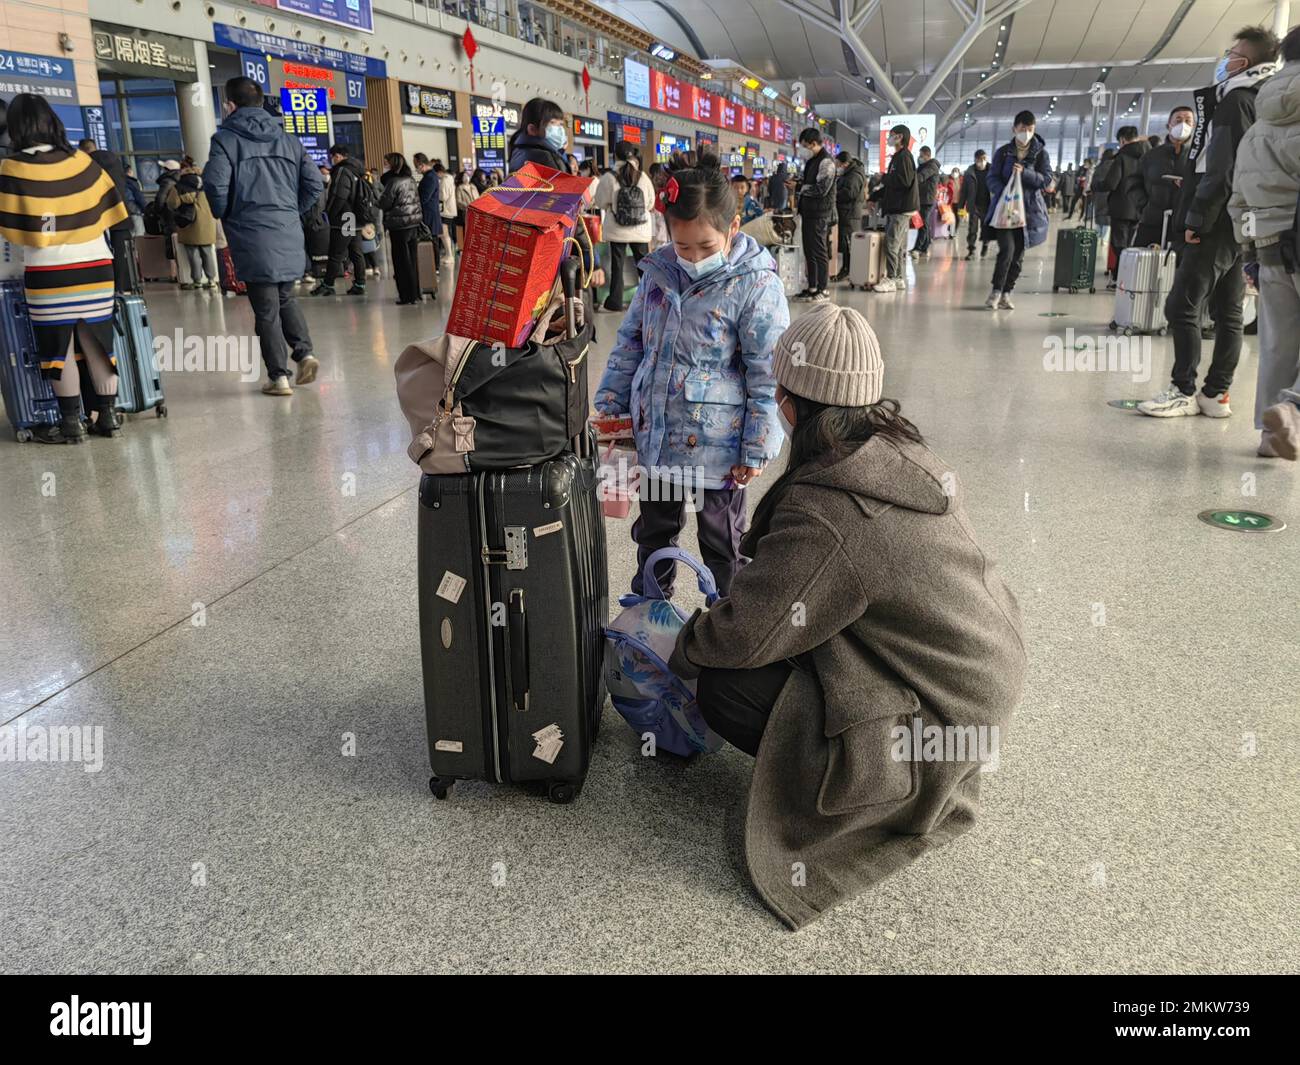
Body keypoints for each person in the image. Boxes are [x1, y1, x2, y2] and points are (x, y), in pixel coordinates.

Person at [666, 302, 1025, 931]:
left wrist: (682, 650)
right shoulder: (897, 455)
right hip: (975, 689)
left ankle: (856, 784)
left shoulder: (832, 511)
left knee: (726, 685)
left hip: (930, 722)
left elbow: (747, 631)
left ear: (790, 403)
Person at [594, 153, 787, 599]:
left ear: (733, 228)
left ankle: (731, 629)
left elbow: (767, 373)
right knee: (653, 535)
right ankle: (649, 617)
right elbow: (630, 343)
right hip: (657, 438)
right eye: (683, 247)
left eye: (706, 247)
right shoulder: (658, 272)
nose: (693, 258)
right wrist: (611, 405)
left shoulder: (755, 284)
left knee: (722, 543)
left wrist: (756, 448)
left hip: (719, 452)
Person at [1140, 25, 1279, 419]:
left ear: (1246, 60)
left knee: (1182, 307)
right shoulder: (1260, 97)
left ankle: (1182, 389)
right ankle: (1216, 395)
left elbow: (1222, 168)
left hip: (1216, 218)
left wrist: (1197, 217)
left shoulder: (1235, 101)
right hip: (1240, 217)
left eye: (1232, 52)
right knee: (1228, 311)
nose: (1226, 58)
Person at [0, 94, 127, 443]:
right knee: (98, 344)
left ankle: (72, 423)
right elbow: (113, 210)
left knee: (60, 348)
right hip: (97, 266)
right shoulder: (84, 163)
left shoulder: (11, 169)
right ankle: (109, 416)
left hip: (48, 270)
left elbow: (11, 227)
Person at [203, 76, 323, 396]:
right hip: (286, 230)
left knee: (266, 308)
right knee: (286, 297)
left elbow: (215, 186)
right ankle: (305, 352)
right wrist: (288, 210)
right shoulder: (288, 140)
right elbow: (315, 185)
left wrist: (227, 214)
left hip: (251, 232)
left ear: (229, 105)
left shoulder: (225, 140)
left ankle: (279, 376)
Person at [1229, 24, 1300, 457]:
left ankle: (1269, 435)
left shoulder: (1259, 121)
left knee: (1277, 342)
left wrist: (1249, 250)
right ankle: (1293, 411)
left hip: (1270, 246)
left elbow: (1239, 196)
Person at [984, 110, 1053, 310]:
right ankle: (996, 291)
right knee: (1006, 250)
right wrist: (1003, 191)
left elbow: (1046, 179)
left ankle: (1007, 293)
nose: (1026, 133)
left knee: (1017, 256)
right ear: (1014, 129)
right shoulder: (1003, 152)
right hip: (1006, 210)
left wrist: (1026, 174)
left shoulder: (1041, 153)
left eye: (1030, 129)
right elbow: (992, 177)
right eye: (1022, 129)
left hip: (1028, 213)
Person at [594, 139, 654, 313]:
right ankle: (652, 298)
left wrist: (612, 208)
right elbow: (650, 203)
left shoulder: (609, 177)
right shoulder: (642, 176)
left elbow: (600, 202)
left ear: (615, 156)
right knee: (643, 266)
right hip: (641, 230)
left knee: (617, 266)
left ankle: (615, 301)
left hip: (617, 229)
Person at [77, 138, 135, 293]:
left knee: (102, 254)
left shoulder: (89, 164)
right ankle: (124, 287)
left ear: (84, 151)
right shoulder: (115, 161)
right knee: (122, 254)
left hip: (100, 217)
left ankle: (107, 287)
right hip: (121, 214)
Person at [311, 145, 368, 297]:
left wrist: (329, 213)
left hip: (345, 217)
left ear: (339, 156)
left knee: (336, 252)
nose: (331, 160)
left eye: (332, 157)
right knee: (356, 252)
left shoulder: (343, 170)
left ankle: (328, 285)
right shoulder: (357, 169)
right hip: (355, 216)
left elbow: (339, 195)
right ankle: (360, 283)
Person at [1134, 107, 1195, 248]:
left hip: (1185, 225)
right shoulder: (1152, 156)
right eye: (1178, 120)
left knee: (1179, 267)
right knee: (1145, 265)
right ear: (1169, 125)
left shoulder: (1199, 157)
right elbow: (1134, 181)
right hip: (1152, 222)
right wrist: (1143, 205)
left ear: (1193, 126)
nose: (1183, 124)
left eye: (1188, 121)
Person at [868, 123, 918, 292]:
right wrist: (875, 195)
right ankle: (897, 278)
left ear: (900, 137)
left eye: (892, 134)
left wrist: (884, 178)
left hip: (901, 208)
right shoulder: (898, 157)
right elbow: (893, 184)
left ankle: (892, 278)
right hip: (896, 207)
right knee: (895, 244)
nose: (889, 138)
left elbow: (903, 182)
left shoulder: (904, 157)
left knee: (891, 244)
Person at [1093, 126, 1148, 280]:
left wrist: (1096, 185)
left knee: (1120, 245)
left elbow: (1111, 183)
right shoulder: (1149, 156)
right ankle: (1122, 275)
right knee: (1132, 244)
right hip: (1141, 208)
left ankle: (1124, 276)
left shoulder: (1122, 157)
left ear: (1122, 140)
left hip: (1122, 207)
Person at [791, 126, 837, 301]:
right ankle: (812, 287)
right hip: (809, 212)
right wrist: (798, 184)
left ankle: (822, 289)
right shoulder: (812, 161)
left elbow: (821, 189)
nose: (803, 148)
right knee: (809, 251)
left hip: (820, 213)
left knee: (819, 251)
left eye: (805, 145)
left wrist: (799, 188)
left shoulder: (826, 162)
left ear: (814, 143)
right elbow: (808, 182)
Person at [379, 153, 423, 305]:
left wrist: (376, 198)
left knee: (401, 261)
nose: (384, 165)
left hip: (399, 225)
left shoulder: (393, 182)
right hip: (413, 223)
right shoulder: (410, 179)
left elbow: (384, 203)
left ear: (392, 164)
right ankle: (416, 293)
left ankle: (406, 295)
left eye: (386, 162)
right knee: (412, 260)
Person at [166, 162, 218, 290]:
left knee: (193, 253)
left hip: (188, 223)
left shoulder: (178, 186)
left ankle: (197, 281)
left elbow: (172, 203)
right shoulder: (207, 184)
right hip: (206, 222)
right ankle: (211, 280)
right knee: (207, 252)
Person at [831, 151, 865, 282]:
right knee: (847, 245)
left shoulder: (854, 175)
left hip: (850, 214)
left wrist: (833, 194)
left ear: (845, 163)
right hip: (847, 213)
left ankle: (848, 270)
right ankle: (846, 269)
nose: (837, 166)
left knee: (848, 245)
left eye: (838, 163)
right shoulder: (849, 173)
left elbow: (849, 193)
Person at [957, 149, 992, 259]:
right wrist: (961, 208)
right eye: (980, 159)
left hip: (988, 206)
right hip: (974, 206)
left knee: (986, 228)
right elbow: (964, 192)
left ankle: (985, 245)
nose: (982, 161)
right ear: (975, 159)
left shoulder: (993, 171)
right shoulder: (969, 173)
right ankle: (971, 250)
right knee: (972, 229)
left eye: (984, 159)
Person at [412, 153, 444, 268]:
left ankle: (435, 266)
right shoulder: (429, 176)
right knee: (431, 240)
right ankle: (434, 266)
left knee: (432, 240)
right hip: (430, 213)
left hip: (429, 214)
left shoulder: (430, 177)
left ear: (422, 164)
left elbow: (424, 197)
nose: (416, 168)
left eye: (416, 165)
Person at [913, 145, 941, 258]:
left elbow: (921, 177)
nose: (919, 158)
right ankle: (925, 245)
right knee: (925, 223)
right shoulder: (923, 166)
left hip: (927, 199)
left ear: (927, 155)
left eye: (921, 156)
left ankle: (918, 248)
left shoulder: (931, 166)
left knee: (923, 224)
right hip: (923, 198)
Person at [433, 162, 458, 258]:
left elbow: (443, 196)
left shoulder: (445, 180)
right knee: (445, 233)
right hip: (449, 210)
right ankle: (449, 254)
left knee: (444, 234)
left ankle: (449, 255)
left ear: (439, 172)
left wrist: (436, 196)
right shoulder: (449, 178)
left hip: (446, 211)